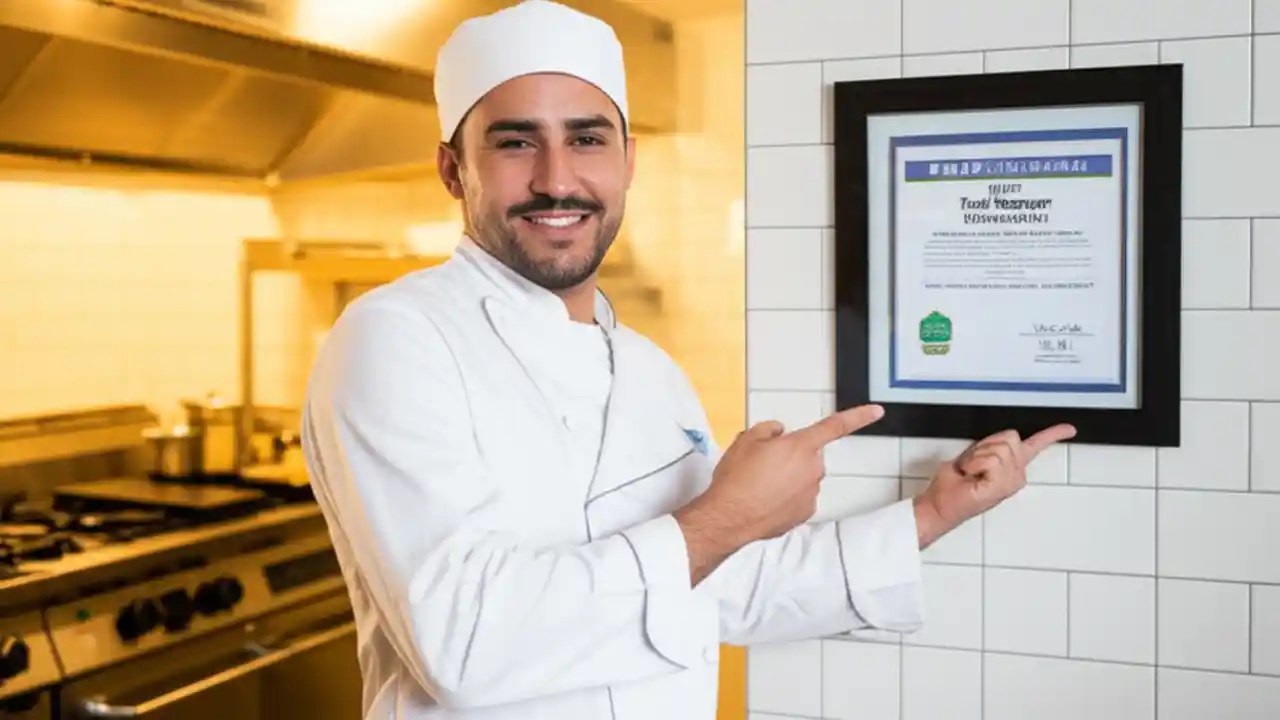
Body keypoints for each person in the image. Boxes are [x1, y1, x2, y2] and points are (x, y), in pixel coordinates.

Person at [298, 1, 1077, 718]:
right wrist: (727, 517)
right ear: (452, 169)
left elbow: (721, 584)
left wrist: (934, 513)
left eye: (586, 139)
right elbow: (464, 642)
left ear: (627, 161)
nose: (556, 178)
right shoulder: (396, 338)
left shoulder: (650, 373)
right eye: (515, 142)